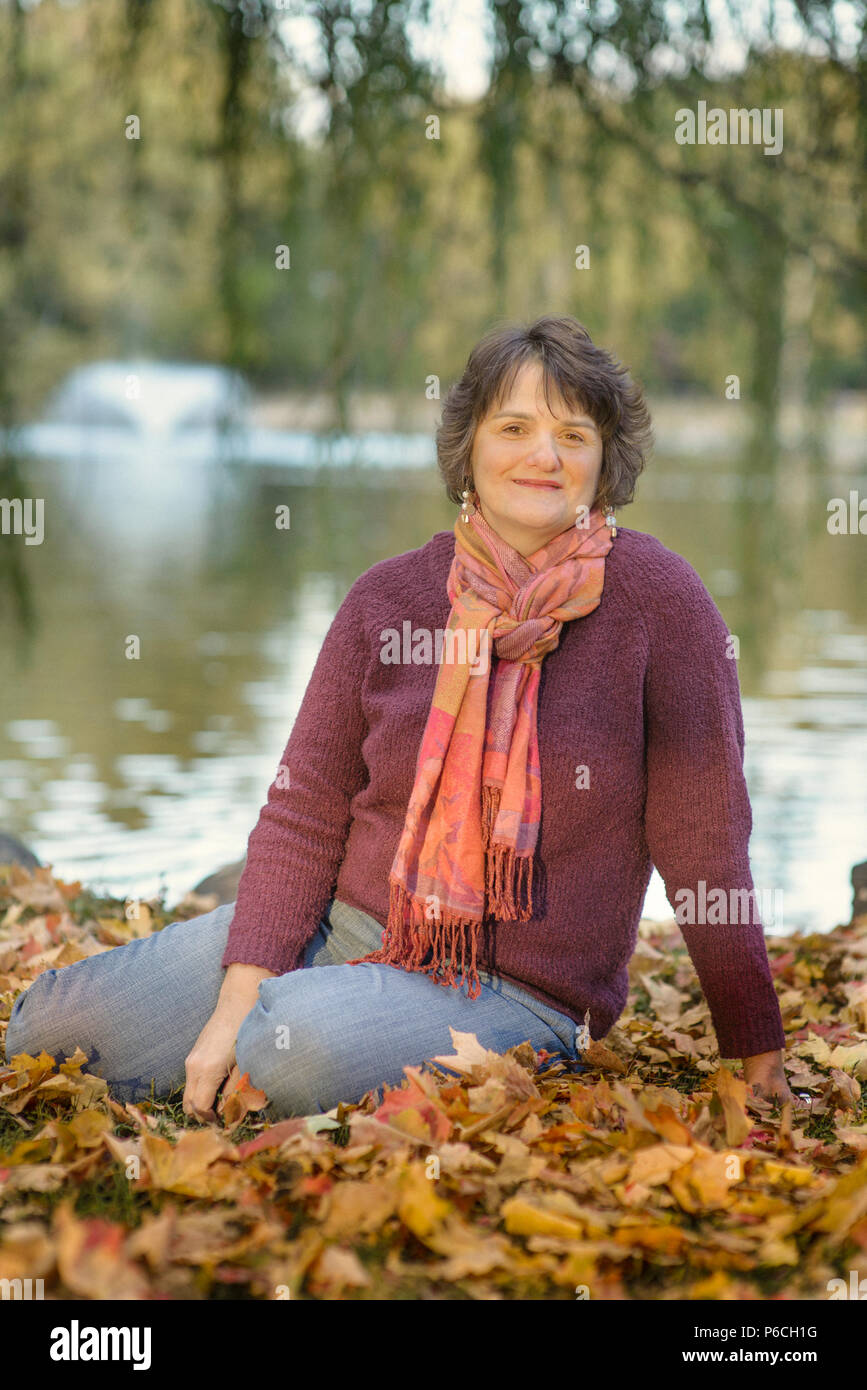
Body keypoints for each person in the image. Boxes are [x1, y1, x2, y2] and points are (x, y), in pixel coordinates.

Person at [4, 314, 795, 1120]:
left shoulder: (659, 602)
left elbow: (705, 844)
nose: (543, 456)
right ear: (469, 449)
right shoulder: (387, 599)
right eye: (514, 427)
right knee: (48, 1032)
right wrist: (242, 990)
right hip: (339, 925)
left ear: (605, 460)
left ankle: (311, 1030)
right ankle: (287, 1018)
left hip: (522, 991)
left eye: (572, 434)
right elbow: (303, 812)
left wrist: (750, 1042)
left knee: (294, 1050)